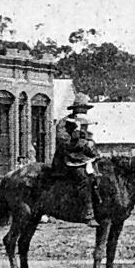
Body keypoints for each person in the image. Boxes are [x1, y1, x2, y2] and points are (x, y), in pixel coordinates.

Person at [54, 94, 100, 224]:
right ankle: (88, 214)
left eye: (85, 108)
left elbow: (90, 139)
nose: (83, 111)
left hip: (84, 158)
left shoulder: (85, 122)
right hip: (67, 158)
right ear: (75, 109)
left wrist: (91, 145)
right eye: (81, 108)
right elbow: (64, 143)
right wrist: (78, 139)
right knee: (83, 178)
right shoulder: (64, 123)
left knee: (100, 174)